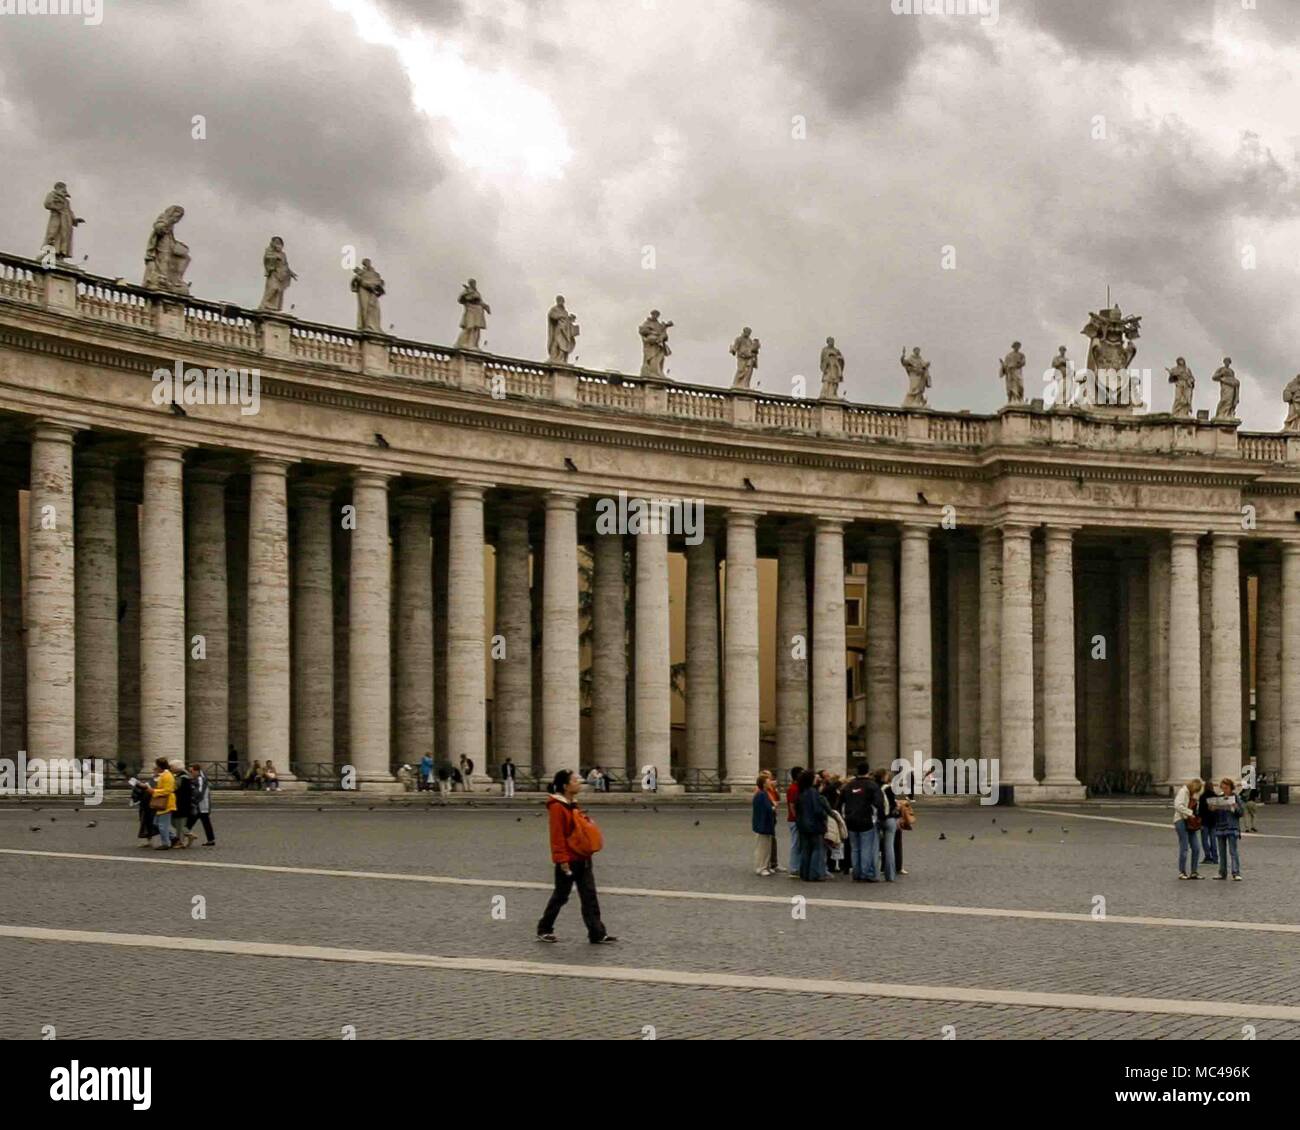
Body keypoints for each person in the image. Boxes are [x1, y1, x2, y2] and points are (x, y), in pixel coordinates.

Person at [536, 769, 617, 944]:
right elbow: (557, 835)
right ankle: (544, 928)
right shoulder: (558, 807)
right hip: (569, 859)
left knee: (589, 895)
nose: (578, 783)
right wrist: (562, 860)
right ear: (565, 786)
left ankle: (597, 933)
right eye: (574, 780)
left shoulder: (572, 803)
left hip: (583, 856)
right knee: (561, 896)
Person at [843, 762, 884, 883]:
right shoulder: (872, 785)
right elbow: (879, 803)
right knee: (866, 847)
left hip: (850, 820)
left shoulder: (849, 785)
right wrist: (881, 819)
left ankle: (856, 873)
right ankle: (865, 873)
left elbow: (840, 801)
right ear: (867, 771)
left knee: (855, 848)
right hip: (866, 820)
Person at [795, 770, 829, 882]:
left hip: (802, 825)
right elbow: (817, 810)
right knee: (817, 849)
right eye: (815, 777)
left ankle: (805, 873)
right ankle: (815, 874)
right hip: (814, 825)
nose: (817, 779)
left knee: (806, 850)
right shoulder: (813, 792)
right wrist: (824, 817)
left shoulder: (801, 792)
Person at [1211, 778, 1245, 881]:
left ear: (1231, 788)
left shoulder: (1236, 797)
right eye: (1223, 788)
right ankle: (1222, 872)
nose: (1224, 790)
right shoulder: (1219, 798)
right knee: (1221, 852)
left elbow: (1241, 812)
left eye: (1226, 788)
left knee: (1233, 851)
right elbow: (1214, 814)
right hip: (1220, 827)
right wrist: (1213, 809)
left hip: (1232, 827)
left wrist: (1234, 807)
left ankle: (1236, 872)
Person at [873, 767, 900, 881]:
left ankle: (874, 874)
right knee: (889, 847)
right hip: (889, 819)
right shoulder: (888, 788)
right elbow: (893, 804)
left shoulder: (873, 787)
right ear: (884, 776)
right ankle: (890, 875)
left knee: (874, 848)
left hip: (875, 819)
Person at [144, 758, 177, 850]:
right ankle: (173, 838)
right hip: (163, 801)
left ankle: (166, 843)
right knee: (157, 823)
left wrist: (153, 791)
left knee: (162, 825)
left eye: (157, 765)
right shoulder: (164, 775)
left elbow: (168, 790)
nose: (155, 767)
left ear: (160, 766)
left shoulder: (167, 776)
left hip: (166, 802)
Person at [1173, 777, 1203, 879]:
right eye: (1196, 790)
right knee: (1184, 847)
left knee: (1196, 847)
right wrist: (1190, 813)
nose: (1196, 792)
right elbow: (1178, 805)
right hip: (1181, 820)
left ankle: (1194, 872)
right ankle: (1182, 872)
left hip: (1191, 822)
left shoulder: (1192, 794)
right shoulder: (1183, 791)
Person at [751, 773, 777, 876]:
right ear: (763, 783)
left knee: (767, 847)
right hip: (763, 825)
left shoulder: (764, 793)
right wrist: (773, 807)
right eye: (768, 781)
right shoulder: (761, 794)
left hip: (766, 824)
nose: (770, 782)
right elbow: (765, 809)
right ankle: (760, 867)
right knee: (762, 848)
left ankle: (766, 866)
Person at [184, 765, 216, 847]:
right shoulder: (199, 778)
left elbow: (200, 792)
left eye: (191, 771)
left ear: (196, 771)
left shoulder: (200, 779)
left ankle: (184, 838)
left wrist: (194, 801)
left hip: (201, 805)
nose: (191, 773)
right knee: (205, 823)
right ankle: (210, 839)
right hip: (201, 805)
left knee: (189, 823)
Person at [762, 771, 783, 872]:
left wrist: (774, 789)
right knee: (766, 843)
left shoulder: (771, 790)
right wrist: (774, 805)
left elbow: (778, 799)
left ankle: (774, 863)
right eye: (769, 779)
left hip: (772, 817)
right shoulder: (762, 792)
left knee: (773, 841)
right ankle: (766, 865)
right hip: (766, 819)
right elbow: (771, 803)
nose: (772, 780)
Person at [786, 766, 804, 878]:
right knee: (796, 844)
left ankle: (798, 866)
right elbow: (792, 805)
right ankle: (794, 868)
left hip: (796, 819)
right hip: (795, 820)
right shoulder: (793, 788)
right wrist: (797, 818)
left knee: (798, 844)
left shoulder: (797, 787)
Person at [172, 760, 194, 849]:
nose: (170, 768)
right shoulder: (184, 776)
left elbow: (174, 788)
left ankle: (181, 841)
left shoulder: (182, 777)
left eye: (172, 767)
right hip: (183, 803)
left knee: (179, 823)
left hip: (181, 803)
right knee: (175, 822)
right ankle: (188, 834)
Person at [1197, 778, 1219, 865]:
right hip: (1213, 821)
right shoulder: (1216, 796)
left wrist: (1199, 818)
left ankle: (1207, 856)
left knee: (1205, 840)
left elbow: (1201, 810)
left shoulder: (1203, 797)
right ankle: (1215, 857)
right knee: (1213, 839)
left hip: (1205, 821)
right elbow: (1217, 810)